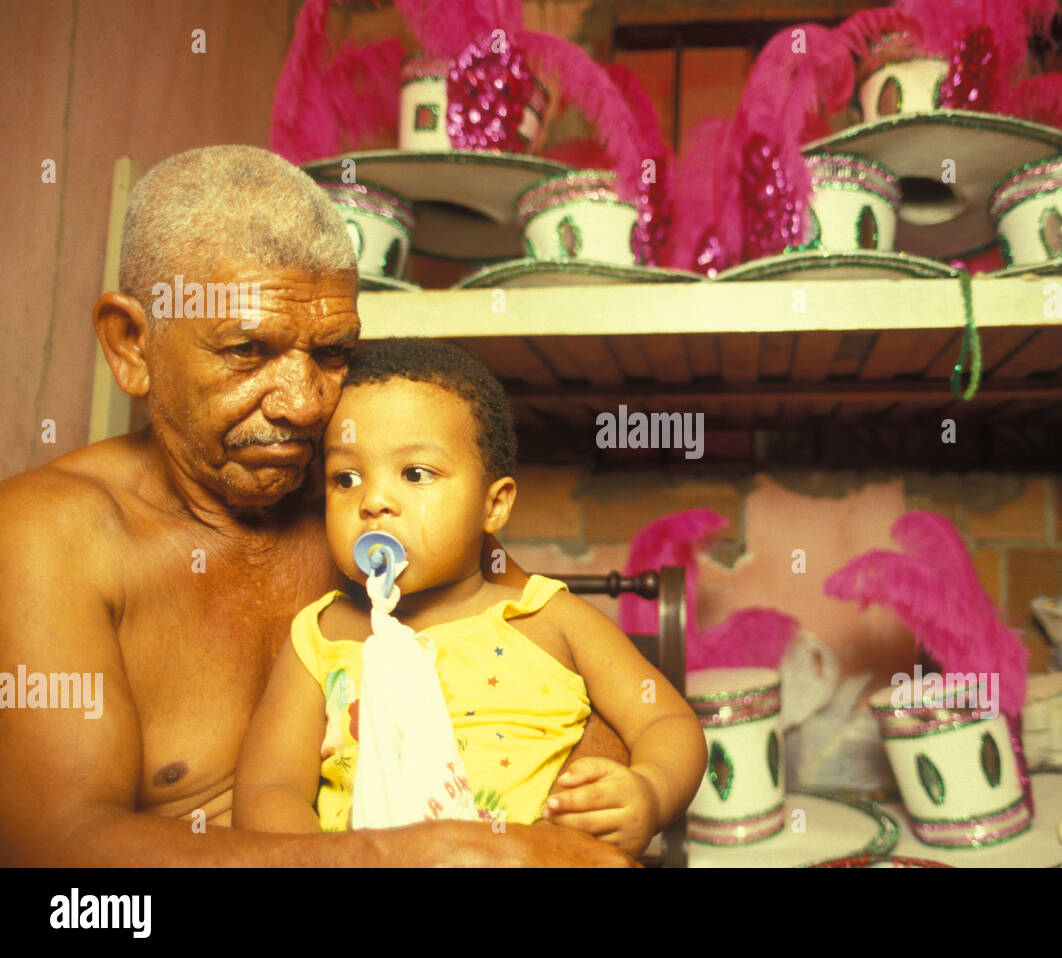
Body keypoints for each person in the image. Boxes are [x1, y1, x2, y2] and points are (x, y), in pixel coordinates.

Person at [0, 145, 633, 866]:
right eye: (246, 349)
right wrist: (402, 856)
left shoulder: (366, 496)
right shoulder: (46, 537)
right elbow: (58, 861)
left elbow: (564, 678)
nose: (304, 406)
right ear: (133, 345)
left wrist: (585, 814)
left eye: (333, 353)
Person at [235, 340, 706, 856]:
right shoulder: (321, 637)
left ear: (494, 505)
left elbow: (667, 721)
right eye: (346, 478)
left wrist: (650, 792)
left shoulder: (549, 619)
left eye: (415, 474)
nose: (373, 501)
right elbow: (268, 789)